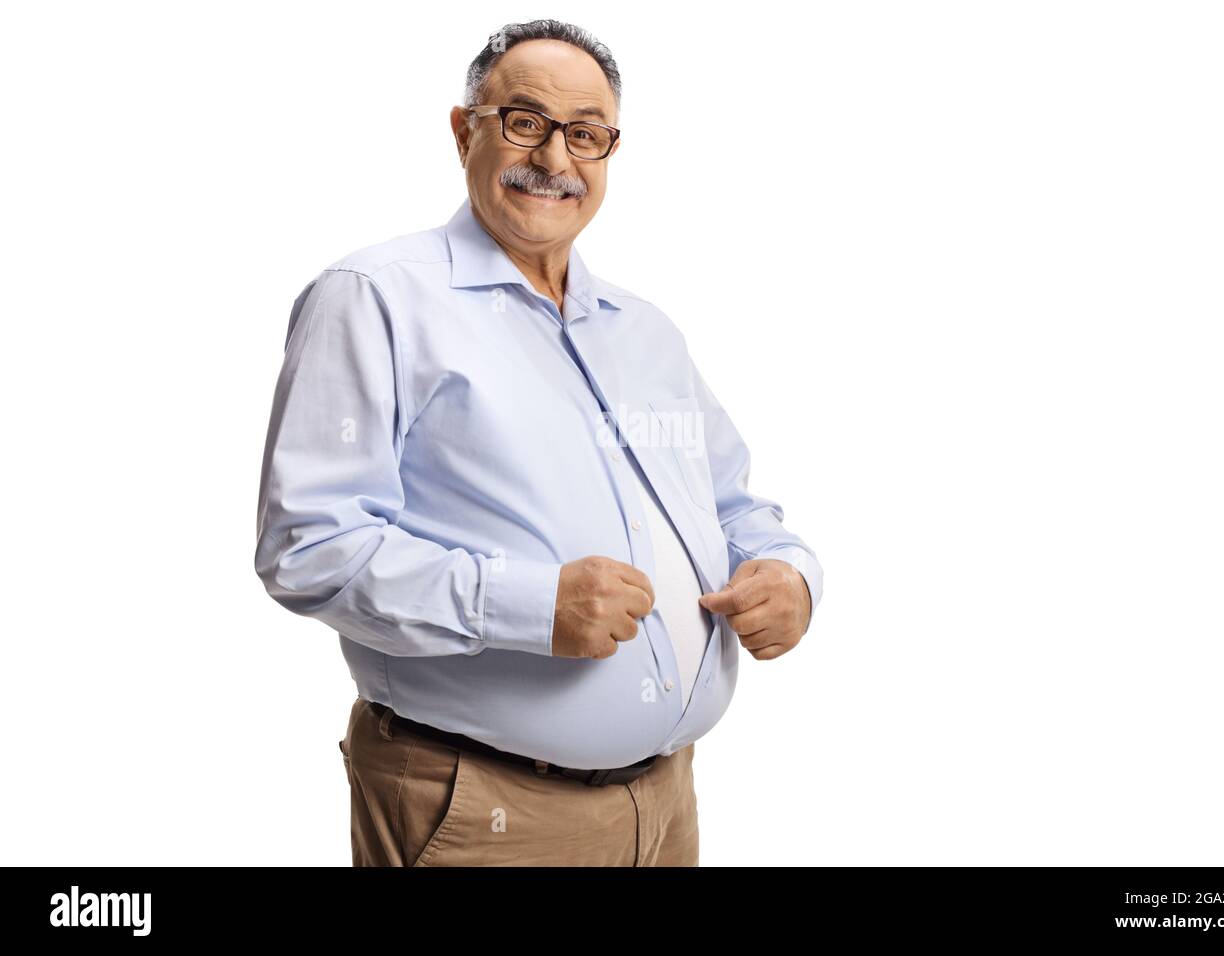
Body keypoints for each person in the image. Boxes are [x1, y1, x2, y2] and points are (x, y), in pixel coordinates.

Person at [254, 18, 824, 866]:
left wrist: (791, 576)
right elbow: (309, 549)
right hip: (482, 806)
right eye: (526, 122)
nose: (556, 160)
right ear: (463, 131)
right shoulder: (374, 298)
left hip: (666, 801)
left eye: (586, 135)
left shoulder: (647, 331)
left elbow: (737, 506)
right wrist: (528, 605)